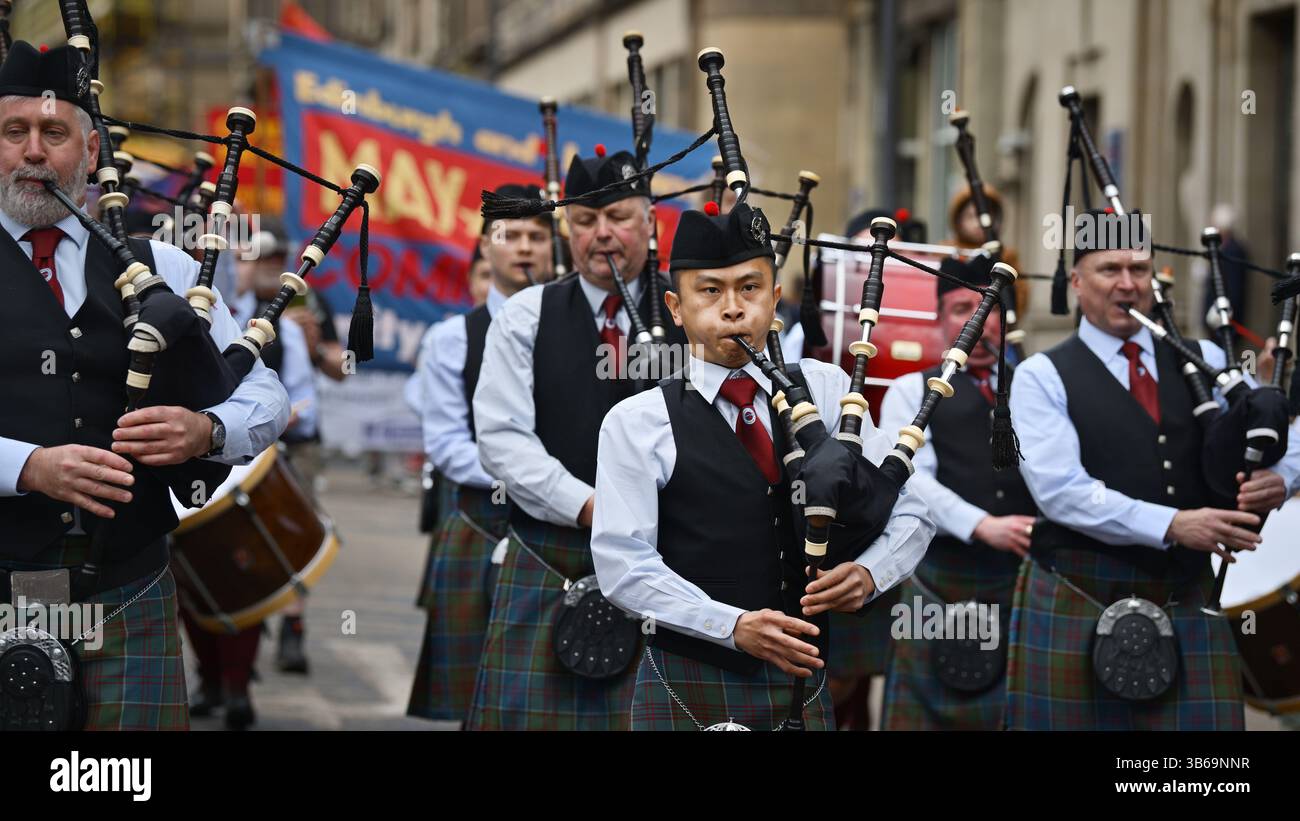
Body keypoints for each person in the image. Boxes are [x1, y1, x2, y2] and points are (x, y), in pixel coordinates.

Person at [0, 41, 288, 730]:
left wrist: (208, 429)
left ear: (91, 151)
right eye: (14, 132)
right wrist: (29, 466)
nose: (34, 152)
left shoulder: (159, 263)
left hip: (128, 581)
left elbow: (265, 393)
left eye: (55, 133)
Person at [591, 202, 934, 730]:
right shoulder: (637, 422)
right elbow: (623, 564)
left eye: (749, 288)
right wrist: (733, 626)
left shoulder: (827, 390)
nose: (733, 308)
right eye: (710, 291)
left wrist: (871, 573)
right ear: (675, 307)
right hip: (687, 675)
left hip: (799, 686)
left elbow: (912, 507)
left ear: (775, 299)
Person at [1007, 209, 1300, 730]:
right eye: (1109, 269)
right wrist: (1174, 524)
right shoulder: (1041, 376)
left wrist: (1284, 477)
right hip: (1079, 594)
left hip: (1185, 595)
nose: (1128, 285)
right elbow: (1060, 491)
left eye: (1139, 270)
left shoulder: (1205, 359)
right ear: (1076, 282)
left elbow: (1279, 423)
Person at [468, 148, 687, 730]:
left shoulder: (693, 309)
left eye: (618, 217)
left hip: (676, 566)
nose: (602, 235)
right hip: (553, 556)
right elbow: (502, 439)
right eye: (585, 221)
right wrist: (592, 506)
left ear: (649, 221)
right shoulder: (526, 314)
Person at [406, 183, 553, 723]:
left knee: (548, 695)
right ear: (485, 247)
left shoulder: (574, 328)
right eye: (509, 235)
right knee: (478, 702)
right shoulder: (451, 338)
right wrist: (538, 482)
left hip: (560, 536)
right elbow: (446, 447)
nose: (524, 247)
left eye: (537, 235)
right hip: (480, 522)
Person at [878, 253, 1036, 730]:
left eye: (988, 309)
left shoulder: (1036, 387)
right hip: (944, 577)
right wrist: (982, 525)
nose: (977, 323)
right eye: (960, 309)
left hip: (1028, 579)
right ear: (939, 318)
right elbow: (911, 479)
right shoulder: (911, 391)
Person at [180, 223, 318, 730]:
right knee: (190, 577)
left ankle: (238, 685)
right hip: (184, 470)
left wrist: (285, 417)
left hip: (256, 468)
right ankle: (211, 679)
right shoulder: (182, 309)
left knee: (246, 568)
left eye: (244, 256)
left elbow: (302, 397)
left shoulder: (278, 325)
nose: (236, 264)